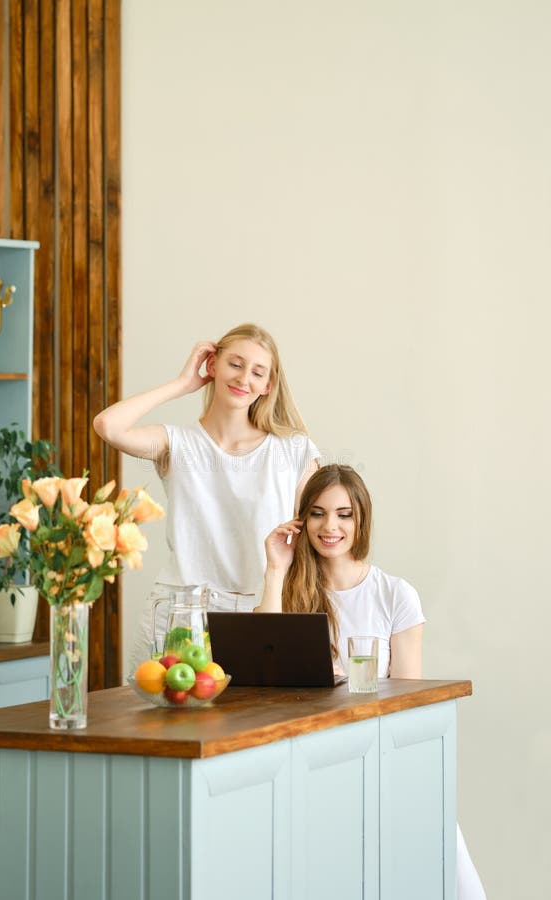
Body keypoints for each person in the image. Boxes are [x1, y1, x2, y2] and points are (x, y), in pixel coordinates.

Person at [255, 463, 487, 900]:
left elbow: (409, 699)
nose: (330, 526)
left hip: (377, 750)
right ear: (302, 520)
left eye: (344, 514)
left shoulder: (395, 594)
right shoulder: (289, 591)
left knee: (438, 836)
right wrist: (274, 569)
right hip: (306, 753)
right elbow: (258, 669)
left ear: (361, 519)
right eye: (318, 513)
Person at [93, 322, 320, 666]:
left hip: (259, 611)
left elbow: (317, 538)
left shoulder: (294, 451)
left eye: (257, 372)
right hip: (179, 612)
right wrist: (182, 384)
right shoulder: (177, 443)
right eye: (235, 364)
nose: (244, 378)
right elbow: (107, 426)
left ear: (268, 385)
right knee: (157, 704)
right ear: (212, 365)